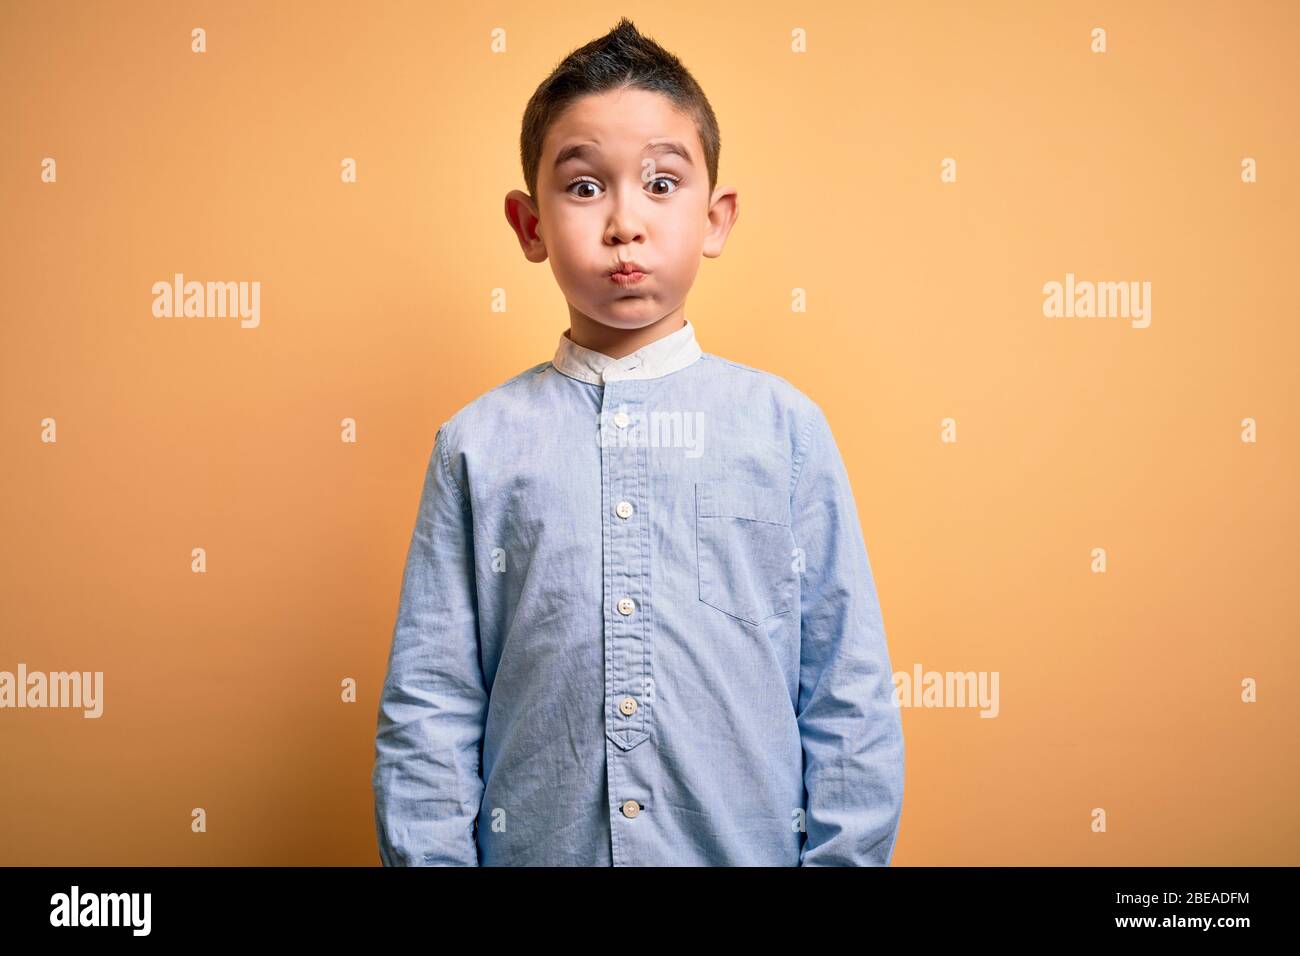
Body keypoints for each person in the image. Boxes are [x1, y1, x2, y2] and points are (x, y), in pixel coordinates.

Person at [371, 17, 904, 866]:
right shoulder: (476, 448)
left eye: (662, 183)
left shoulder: (785, 430)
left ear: (716, 219)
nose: (625, 222)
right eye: (585, 188)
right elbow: (431, 705)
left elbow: (848, 691)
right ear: (528, 224)